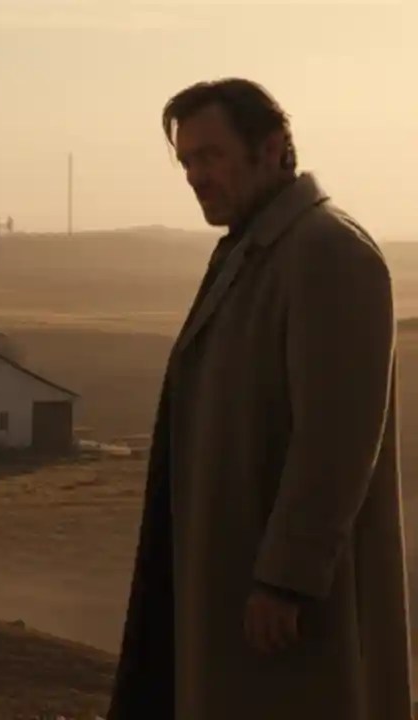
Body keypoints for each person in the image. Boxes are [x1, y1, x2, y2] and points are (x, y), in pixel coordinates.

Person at [107, 78, 411, 719]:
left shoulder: (328, 251)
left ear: (272, 148)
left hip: (287, 609)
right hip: (233, 576)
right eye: (187, 161)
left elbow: (336, 437)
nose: (195, 175)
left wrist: (286, 577)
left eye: (211, 155)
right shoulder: (257, 249)